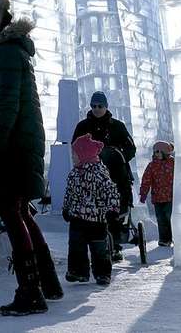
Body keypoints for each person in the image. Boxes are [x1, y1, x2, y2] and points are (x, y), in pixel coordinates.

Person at [0, 0, 62, 317]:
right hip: (23, 145)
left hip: (14, 147)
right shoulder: (13, 53)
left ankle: (31, 292)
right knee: (21, 212)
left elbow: (7, 107)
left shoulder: (8, 55)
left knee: (12, 213)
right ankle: (48, 283)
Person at [73, 91, 136, 261]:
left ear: (106, 106)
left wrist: (119, 155)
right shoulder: (83, 127)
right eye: (93, 106)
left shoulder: (117, 126)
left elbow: (131, 148)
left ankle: (115, 245)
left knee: (114, 207)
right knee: (95, 209)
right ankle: (97, 246)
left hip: (116, 173)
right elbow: (76, 147)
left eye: (100, 106)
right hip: (90, 175)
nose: (96, 109)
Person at [62, 134, 120, 286]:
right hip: (77, 218)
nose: (73, 157)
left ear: (84, 155)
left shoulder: (99, 173)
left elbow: (111, 191)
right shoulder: (74, 173)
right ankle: (78, 272)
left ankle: (102, 273)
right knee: (76, 246)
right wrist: (66, 208)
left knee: (99, 247)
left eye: (75, 154)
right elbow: (69, 193)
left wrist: (112, 209)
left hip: (97, 218)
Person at [139, 141, 175, 246]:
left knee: (169, 217)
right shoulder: (152, 165)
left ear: (165, 152)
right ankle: (164, 239)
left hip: (170, 197)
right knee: (161, 218)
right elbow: (146, 180)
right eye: (155, 152)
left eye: (159, 151)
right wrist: (143, 193)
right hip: (158, 197)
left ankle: (171, 237)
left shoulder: (172, 163)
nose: (157, 154)